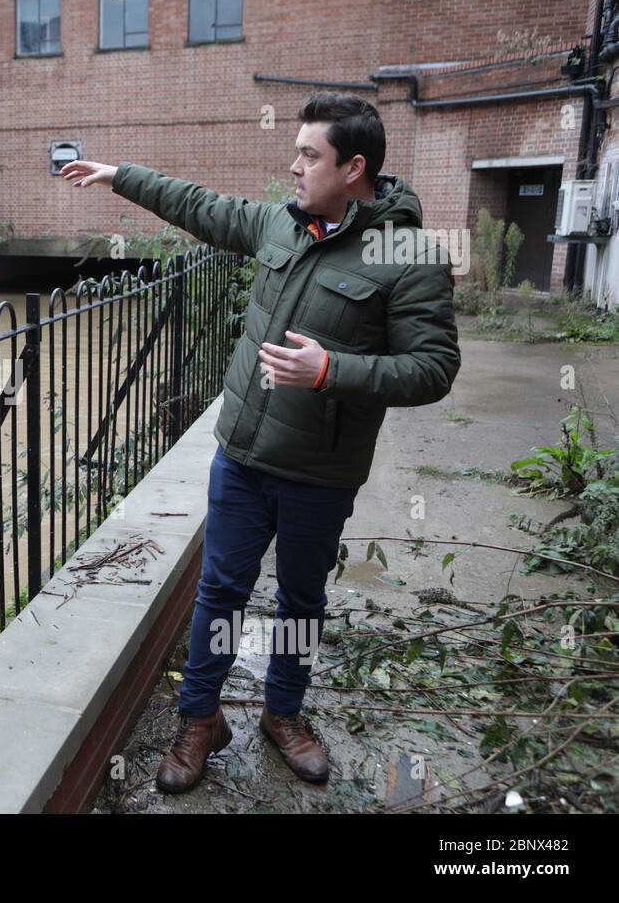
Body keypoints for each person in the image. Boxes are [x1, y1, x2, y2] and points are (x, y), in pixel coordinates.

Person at [60, 91, 460, 792]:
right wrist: (121, 175)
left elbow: (432, 368)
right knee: (220, 592)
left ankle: (283, 714)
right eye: (297, 151)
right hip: (241, 456)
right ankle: (200, 718)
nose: (294, 166)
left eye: (310, 155)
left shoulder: (407, 251)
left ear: (354, 167)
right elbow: (200, 206)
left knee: (302, 601)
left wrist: (331, 370)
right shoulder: (279, 225)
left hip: (320, 469)